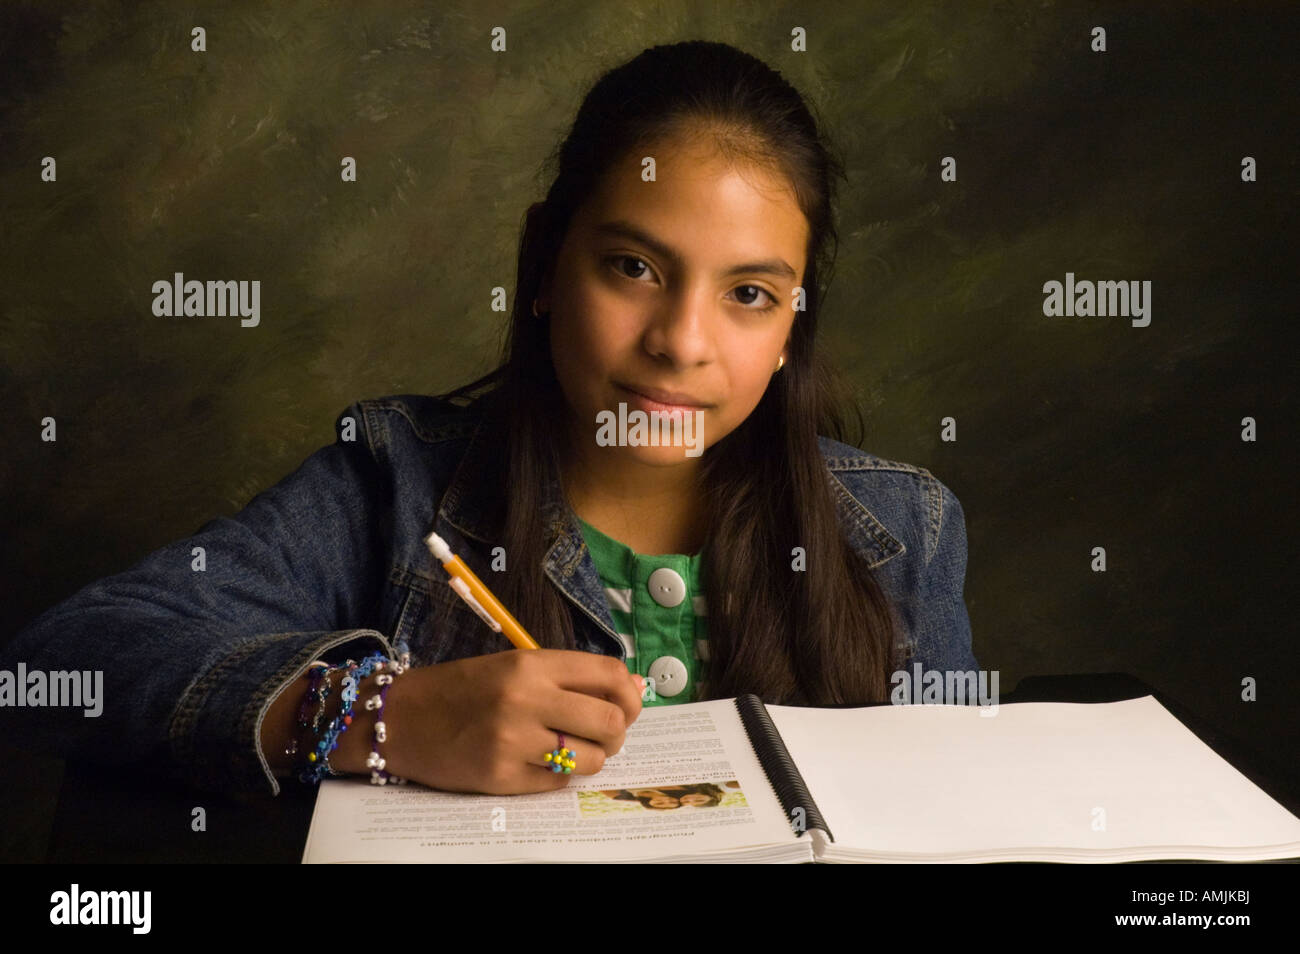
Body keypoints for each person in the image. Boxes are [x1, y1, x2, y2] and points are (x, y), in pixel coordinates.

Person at [1, 40, 978, 803]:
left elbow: (962, 812)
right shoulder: (394, 487)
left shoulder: (902, 531)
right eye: (633, 268)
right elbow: (66, 657)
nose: (682, 343)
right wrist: (380, 717)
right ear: (548, 263)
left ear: (793, 324)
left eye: (750, 294)